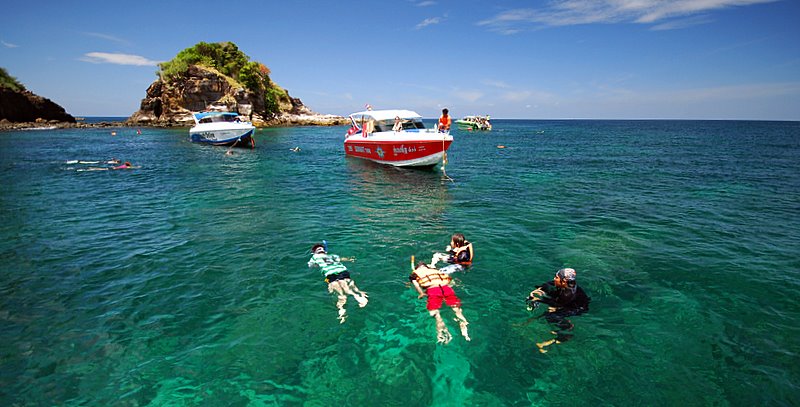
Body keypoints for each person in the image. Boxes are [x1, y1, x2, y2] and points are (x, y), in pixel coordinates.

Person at [525, 268, 590, 353]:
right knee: (549, 293)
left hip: (577, 308)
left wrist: (539, 300)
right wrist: (539, 290)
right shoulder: (566, 284)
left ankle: (566, 329)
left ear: (563, 281)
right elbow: (549, 284)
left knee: (551, 315)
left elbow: (558, 304)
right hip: (566, 302)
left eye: (556, 277)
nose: (554, 279)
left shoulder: (568, 294)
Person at [409, 261, 470, 343]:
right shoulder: (436, 270)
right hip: (447, 289)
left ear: (417, 268)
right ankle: (464, 328)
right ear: (426, 266)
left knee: (435, 314)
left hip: (433, 290)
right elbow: (451, 282)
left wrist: (421, 293)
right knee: (457, 310)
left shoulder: (415, 273)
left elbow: (416, 285)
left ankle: (442, 333)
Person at [307, 243, 368, 323]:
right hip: (342, 271)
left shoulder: (314, 257)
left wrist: (317, 264)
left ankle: (341, 309)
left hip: (330, 274)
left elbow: (310, 265)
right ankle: (359, 296)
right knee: (349, 285)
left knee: (339, 293)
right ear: (324, 251)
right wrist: (350, 259)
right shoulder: (332, 256)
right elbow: (342, 259)